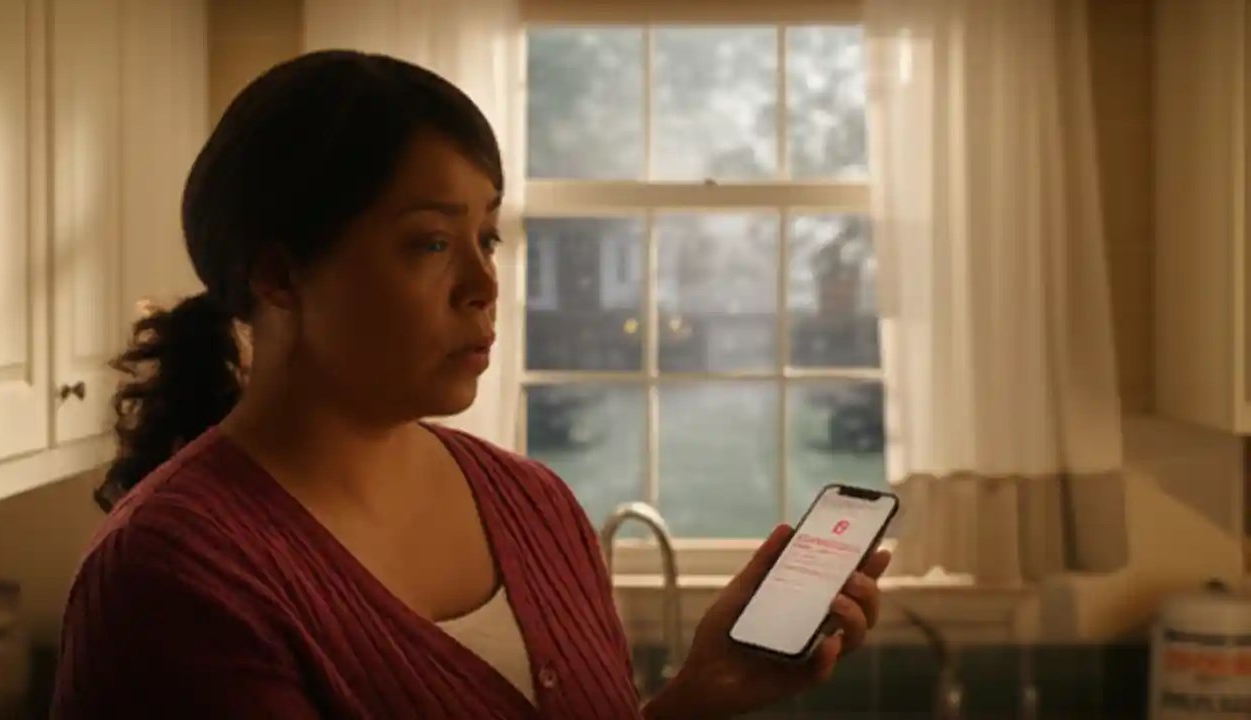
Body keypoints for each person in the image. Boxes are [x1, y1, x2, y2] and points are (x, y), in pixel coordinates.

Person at [51, 50, 890, 719]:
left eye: (488, 237)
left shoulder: (537, 507)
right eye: (429, 242)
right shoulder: (169, 580)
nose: (484, 284)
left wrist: (696, 700)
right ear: (278, 273)